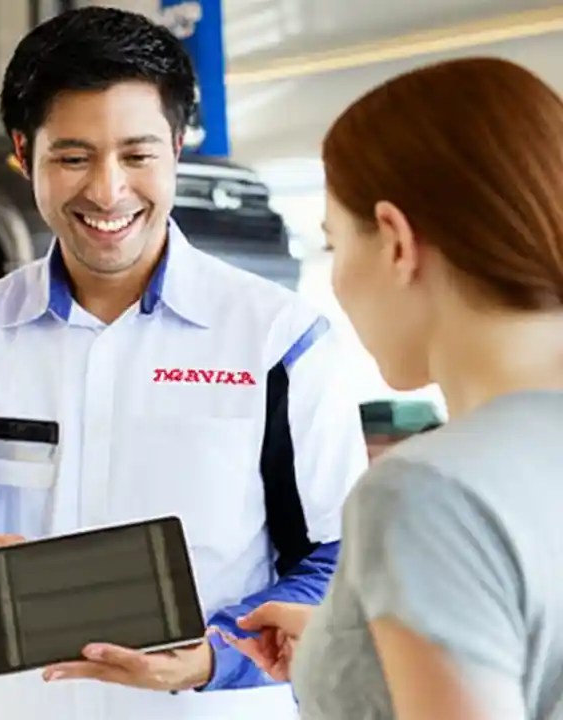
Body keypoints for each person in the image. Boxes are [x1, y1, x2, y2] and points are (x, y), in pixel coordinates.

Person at [0, 6, 368, 719]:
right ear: (23, 151)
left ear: (175, 147)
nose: (107, 191)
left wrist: (212, 654)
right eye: (73, 157)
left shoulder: (278, 336)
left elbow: (339, 557)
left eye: (137, 156)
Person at [221, 57, 563, 720]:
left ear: (398, 241)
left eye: (331, 244)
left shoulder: (428, 491)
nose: (337, 278)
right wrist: (348, 653)